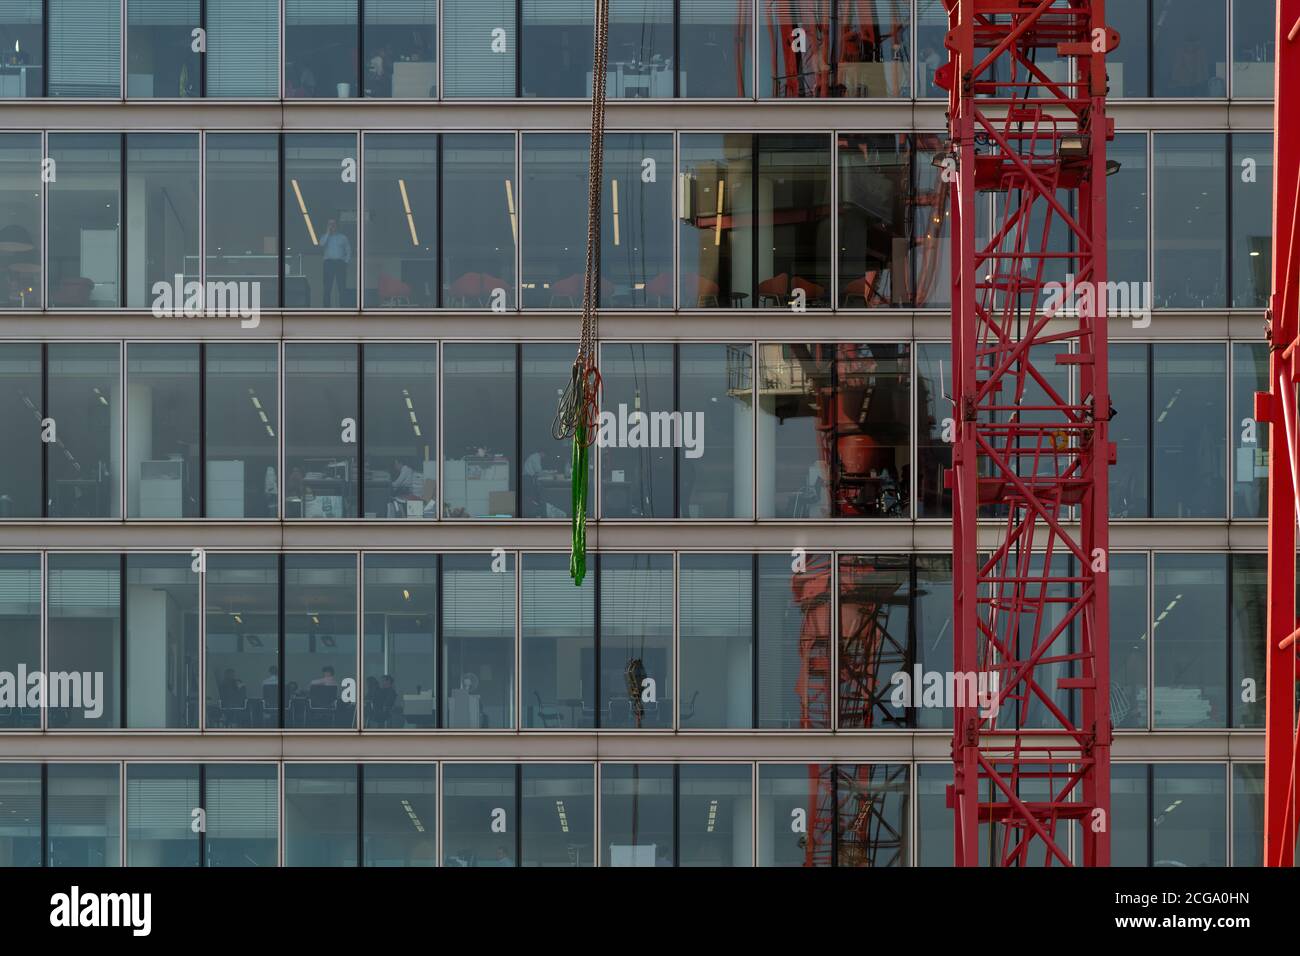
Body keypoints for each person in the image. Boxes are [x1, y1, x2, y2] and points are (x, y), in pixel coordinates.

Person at [320, 219, 352, 307]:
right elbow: (321, 244)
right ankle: (326, 309)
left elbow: (348, 250)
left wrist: (346, 262)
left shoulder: (343, 237)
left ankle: (343, 308)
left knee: (342, 287)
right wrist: (327, 233)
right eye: (330, 224)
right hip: (328, 263)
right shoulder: (324, 237)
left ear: (336, 225)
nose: (332, 226)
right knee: (327, 287)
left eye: (333, 224)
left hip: (340, 263)